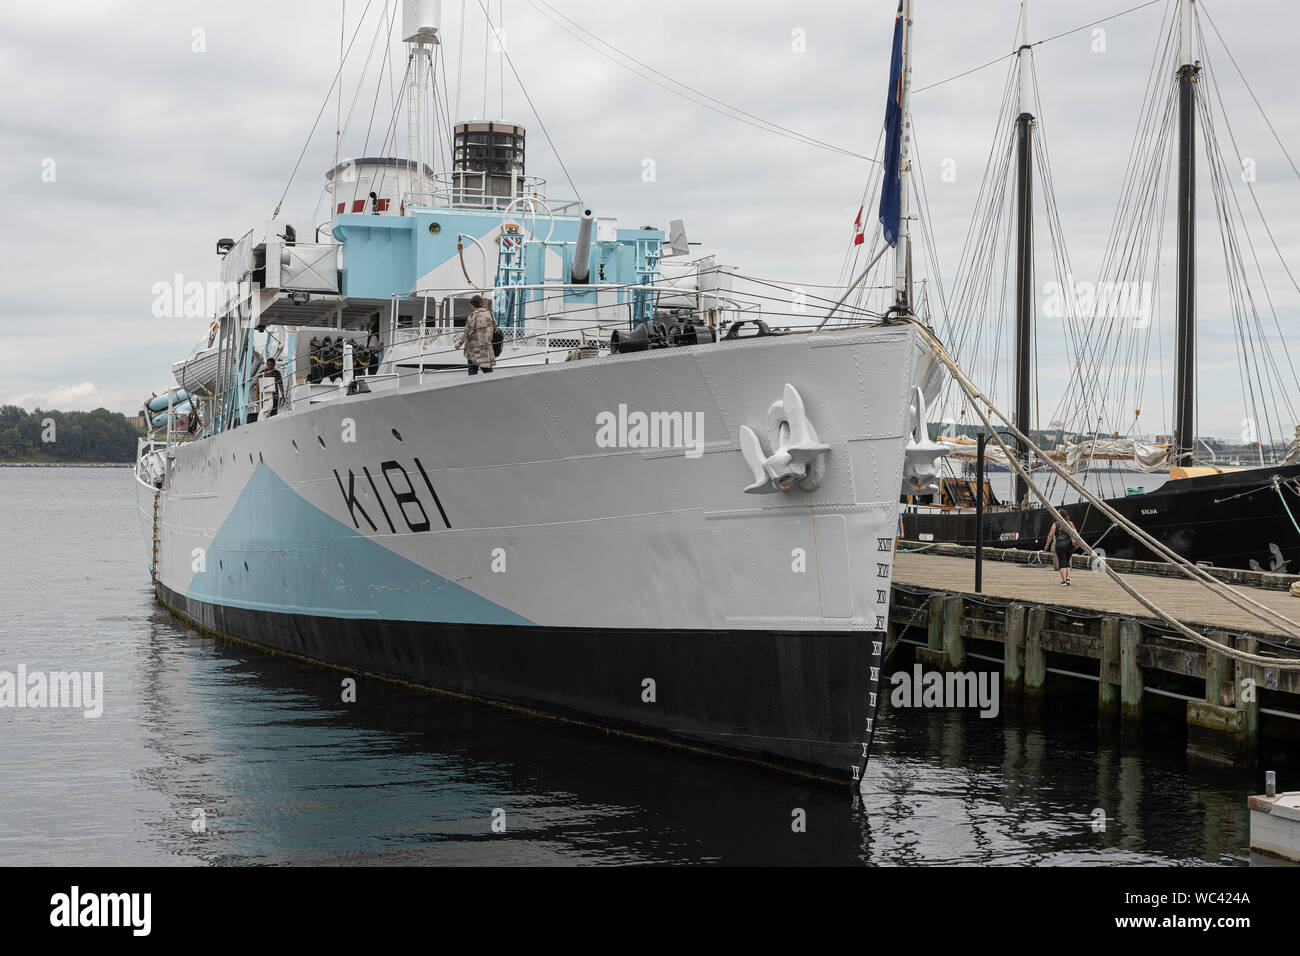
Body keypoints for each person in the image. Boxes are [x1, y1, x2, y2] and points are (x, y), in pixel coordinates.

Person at [456, 295, 497, 375]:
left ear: (472, 304)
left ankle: (472, 386)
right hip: (486, 348)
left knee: (472, 373)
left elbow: (468, 332)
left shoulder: (473, 315)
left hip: (474, 350)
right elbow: (495, 327)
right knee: (488, 373)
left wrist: (460, 343)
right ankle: (492, 386)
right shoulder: (489, 313)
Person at [1044, 507, 1080, 586]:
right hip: (1070, 546)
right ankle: (1067, 579)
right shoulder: (1070, 523)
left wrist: (1047, 545)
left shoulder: (1055, 524)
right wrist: (1077, 544)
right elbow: (1075, 534)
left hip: (1060, 546)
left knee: (1062, 562)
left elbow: (1050, 535)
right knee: (1067, 562)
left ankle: (1063, 581)